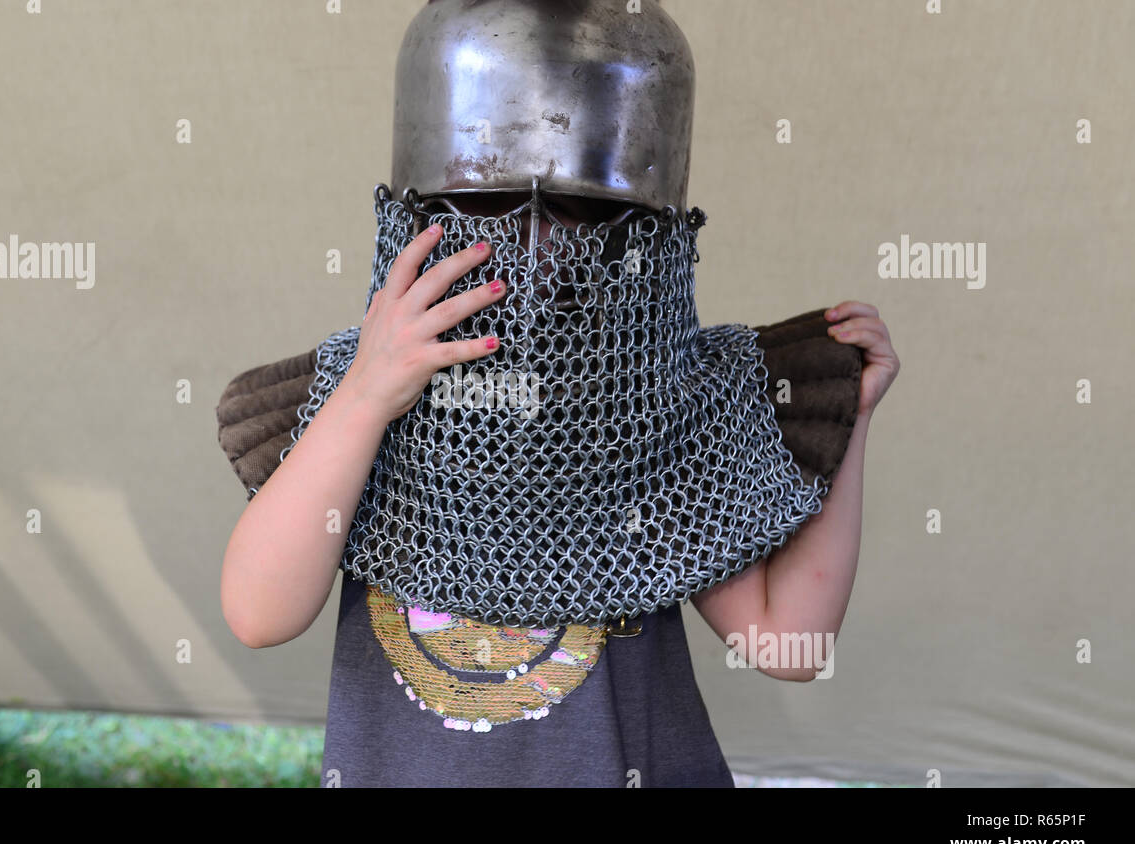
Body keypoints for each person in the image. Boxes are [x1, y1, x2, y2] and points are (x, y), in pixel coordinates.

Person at [217, 0, 899, 787]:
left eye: (583, 212)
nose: (530, 243)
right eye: (481, 205)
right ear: (415, 212)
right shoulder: (346, 406)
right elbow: (259, 614)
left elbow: (788, 646)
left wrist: (852, 422)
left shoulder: (660, 412)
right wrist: (366, 396)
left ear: (642, 232)